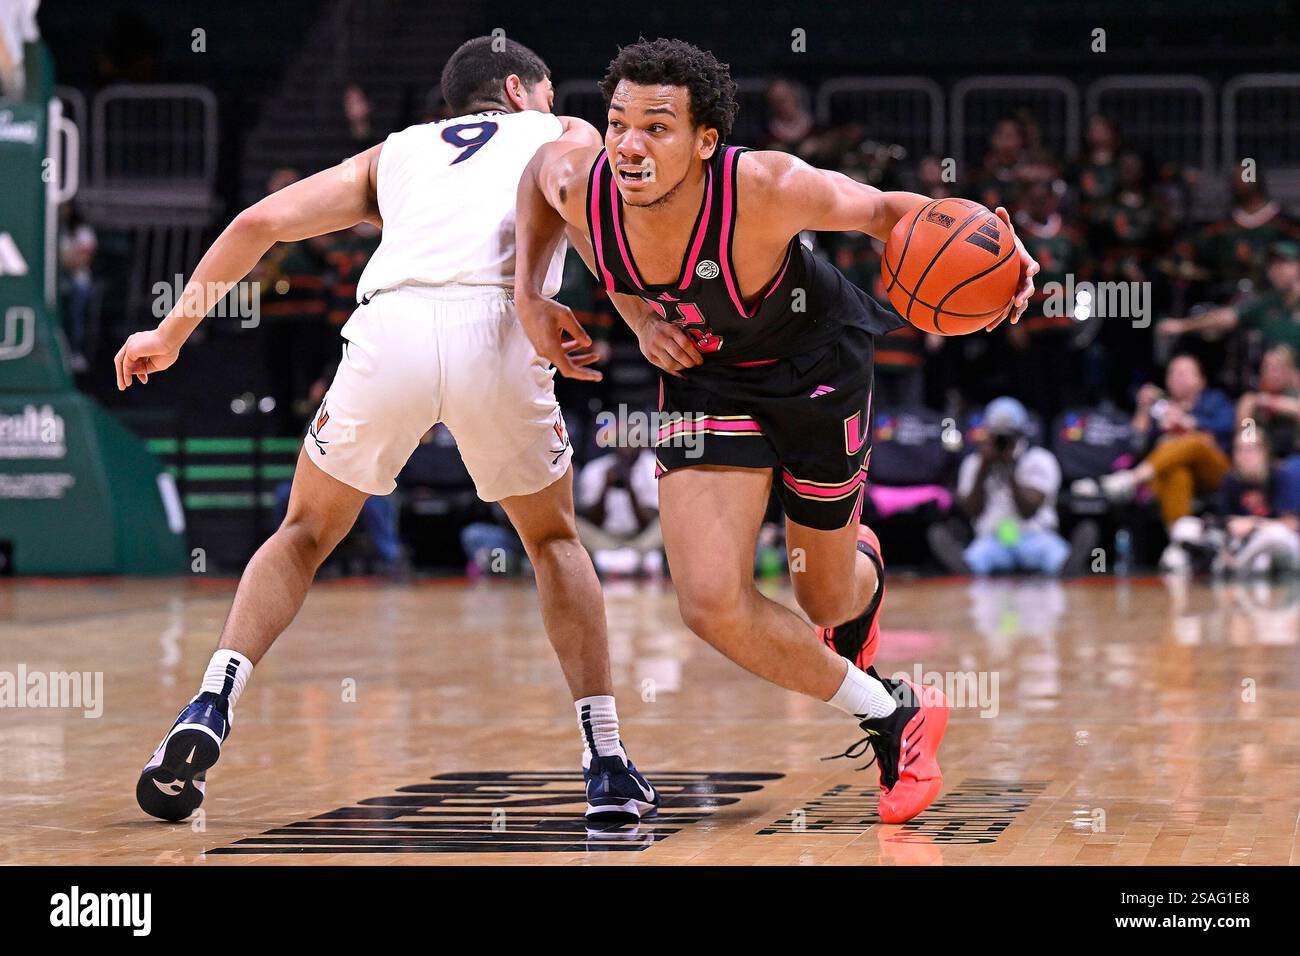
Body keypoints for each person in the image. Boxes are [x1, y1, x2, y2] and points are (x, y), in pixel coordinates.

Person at [114, 37, 659, 827]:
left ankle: (210, 701)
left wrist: (169, 334)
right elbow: (586, 205)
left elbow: (260, 220)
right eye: (541, 94)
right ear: (519, 89)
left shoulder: (395, 153)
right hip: (499, 328)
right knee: (551, 542)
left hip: (392, 329)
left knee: (302, 532)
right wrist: (640, 315)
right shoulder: (563, 130)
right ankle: (606, 762)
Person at [513, 38, 1038, 824]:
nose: (628, 143)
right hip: (705, 377)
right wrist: (545, 299)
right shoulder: (583, 182)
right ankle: (895, 711)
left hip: (815, 367)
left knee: (822, 594)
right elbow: (540, 181)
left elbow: (889, 213)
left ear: (705, 142)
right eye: (618, 121)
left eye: (656, 128)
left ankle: (862, 563)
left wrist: (1005, 254)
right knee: (708, 601)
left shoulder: (766, 185)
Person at [928, 397, 1087, 576]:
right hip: (993, 539)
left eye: (1008, 436)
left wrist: (1011, 469)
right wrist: (984, 467)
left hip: (1035, 537)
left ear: (1020, 433)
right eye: (997, 435)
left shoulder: (1040, 459)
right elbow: (971, 510)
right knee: (976, 558)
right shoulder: (974, 463)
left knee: (1054, 556)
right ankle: (964, 567)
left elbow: (1028, 510)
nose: (1003, 442)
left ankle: (1068, 564)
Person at [1072, 354, 1234, 527]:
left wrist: (1190, 422)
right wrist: (1143, 409)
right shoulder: (1161, 407)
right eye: (1172, 373)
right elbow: (1135, 445)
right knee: (1176, 470)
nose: (1177, 378)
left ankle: (1130, 480)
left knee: (1196, 441)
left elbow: (1229, 426)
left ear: (1201, 380)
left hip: (1214, 471)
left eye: (1184, 373)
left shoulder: (1215, 400)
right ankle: (1181, 540)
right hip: (1165, 476)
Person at [1162, 433, 1300, 576]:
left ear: (1264, 452)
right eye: (1239, 450)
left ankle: (1234, 564)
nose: (1245, 456)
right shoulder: (1230, 480)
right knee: (1184, 526)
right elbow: (1224, 520)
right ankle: (1228, 561)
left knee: (1274, 537)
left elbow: (1291, 524)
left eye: (1251, 449)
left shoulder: (1280, 476)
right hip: (1238, 541)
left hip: (1271, 541)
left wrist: (1253, 523)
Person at [575, 442, 663, 576]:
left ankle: (619, 559)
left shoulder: (653, 467)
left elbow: (649, 520)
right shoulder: (596, 468)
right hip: (605, 539)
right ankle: (635, 559)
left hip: (640, 538)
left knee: (667, 523)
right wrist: (605, 488)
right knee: (572, 523)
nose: (626, 447)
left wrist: (630, 489)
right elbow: (593, 519)